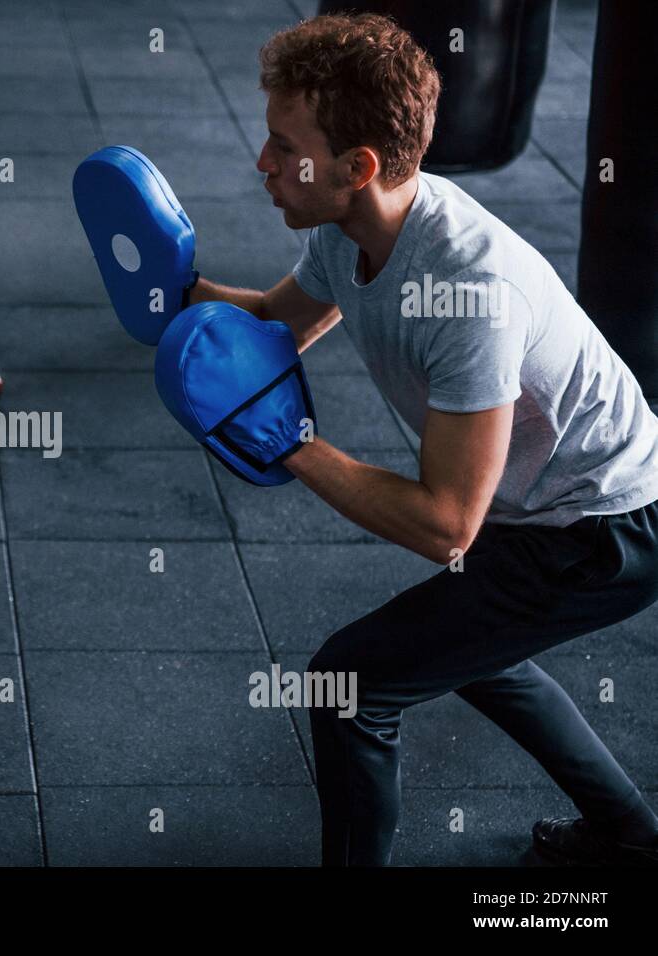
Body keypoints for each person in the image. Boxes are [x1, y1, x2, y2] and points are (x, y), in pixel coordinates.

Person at [187, 13, 658, 866]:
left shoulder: (469, 293)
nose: (261, 162)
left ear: (357, 166)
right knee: (481, 654)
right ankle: (630, 833)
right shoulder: (349, 228)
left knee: (347, 688)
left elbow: (447, 525)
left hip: (604, 525)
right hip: (539, 497)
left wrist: (292, 445)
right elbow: (270, 326)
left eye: (280, 144)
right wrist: (171, 293)